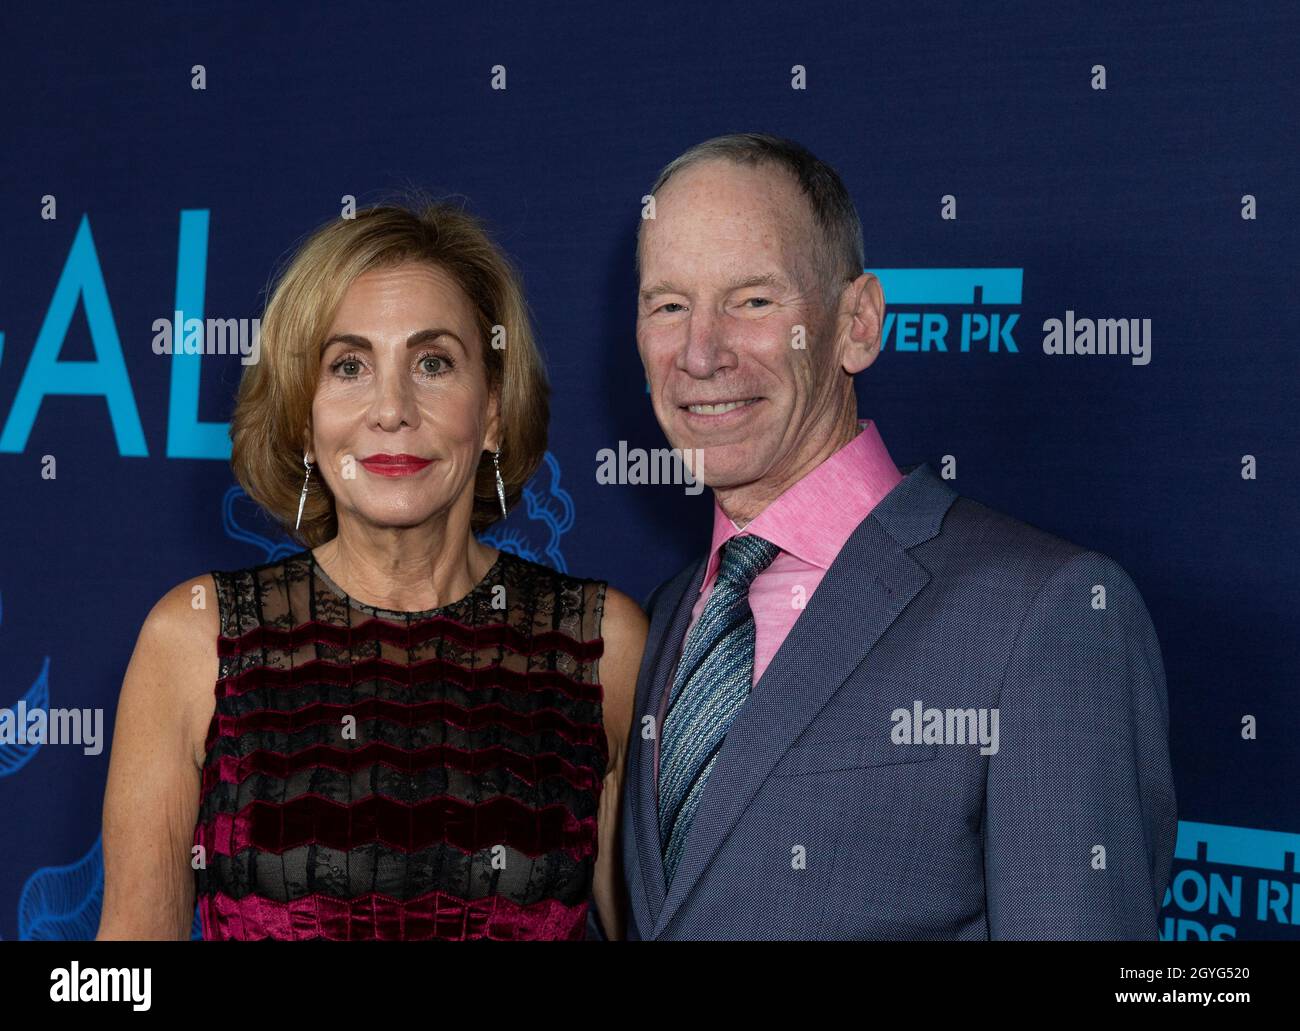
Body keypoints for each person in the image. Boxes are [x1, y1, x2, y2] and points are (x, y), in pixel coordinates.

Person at [622, 132, 1177, 940]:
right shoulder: (667, 619)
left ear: (858, 324)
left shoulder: (1050, 616)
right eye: (668, 305)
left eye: (752, 300)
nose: (701, 352)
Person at [97, 202, 646, 940]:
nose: (392, 409)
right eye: (349, 365)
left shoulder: (601, 645)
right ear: (302, 417)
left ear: (492, 409)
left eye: (434, 363)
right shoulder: (193, 640)